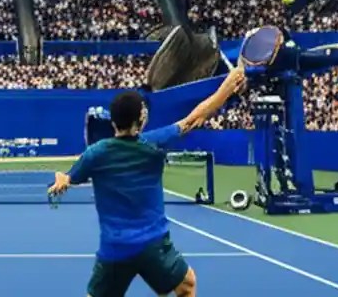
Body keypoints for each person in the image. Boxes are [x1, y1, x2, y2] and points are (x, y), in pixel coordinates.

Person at [50, 66, 246, 297]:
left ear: (113, 123)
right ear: (140, 120)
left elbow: (68, 177)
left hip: (115, 249)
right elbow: (196, 118)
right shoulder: (153, 143)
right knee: (187, 286)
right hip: (153, 245)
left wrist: (61, 179)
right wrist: (228, 85)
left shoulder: (96, 153)